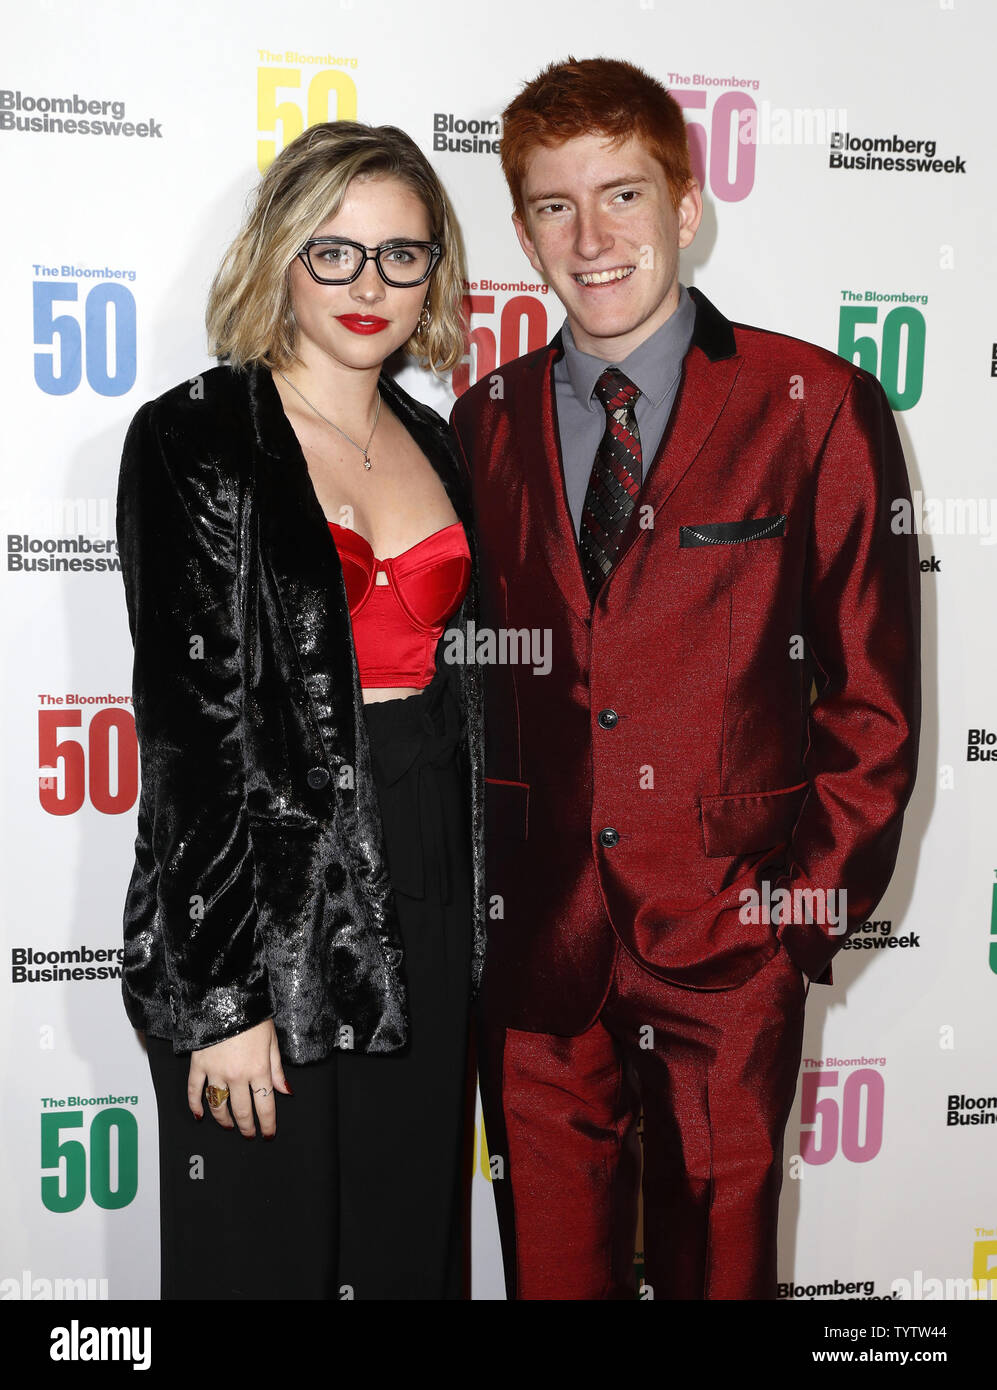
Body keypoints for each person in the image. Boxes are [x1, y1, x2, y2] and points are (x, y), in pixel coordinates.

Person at [450, 57, 921, 1300]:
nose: (592, 238)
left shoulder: (812, 404)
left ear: (686, 205)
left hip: (729, 945)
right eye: (555, 206)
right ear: (520, 231)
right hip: (542, 956)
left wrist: (792, 920)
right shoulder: (480, 421)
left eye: (622, 196)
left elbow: (872, 706)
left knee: (722, 1282)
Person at [116, 120, 484, 1300]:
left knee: (405, 1245)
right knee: (257, 1263)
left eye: (400, 255)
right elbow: (188, 732)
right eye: (333, 252)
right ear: (277, 252)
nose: (367, 286)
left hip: (424, 868)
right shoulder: (196, 437)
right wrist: (223, 997)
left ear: (436, 272)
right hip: (268, 899)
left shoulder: (436, 437)